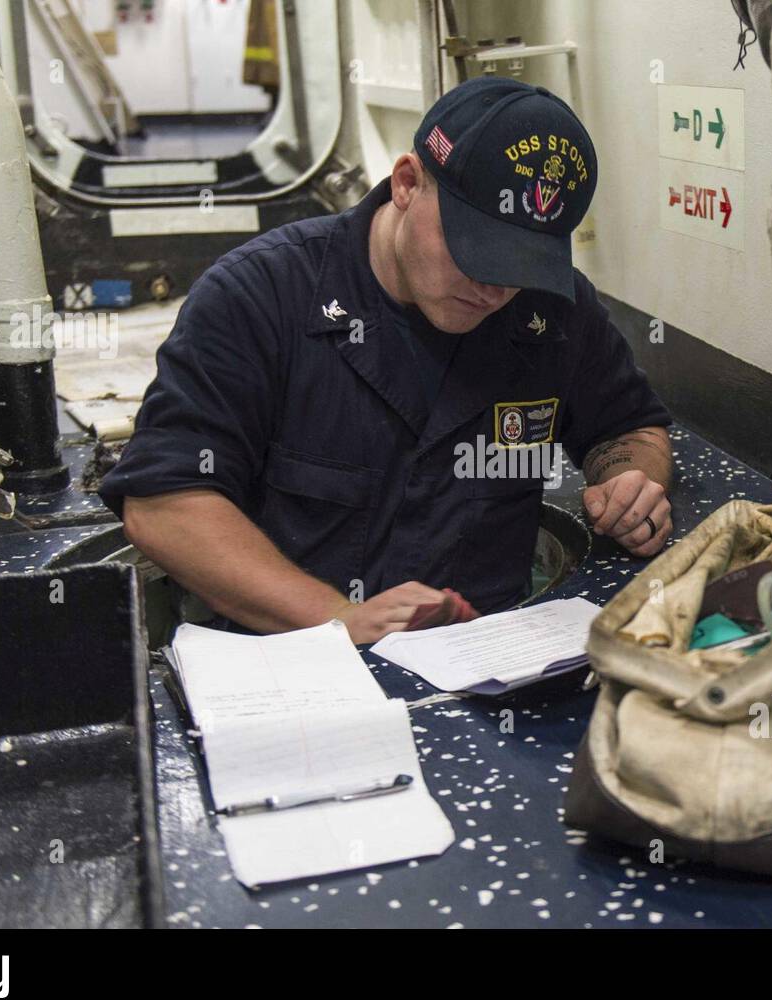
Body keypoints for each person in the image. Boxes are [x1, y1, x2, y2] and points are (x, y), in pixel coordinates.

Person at [99, 77, 674, 644]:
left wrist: (629, 481)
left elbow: (629, 428)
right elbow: (164, 506)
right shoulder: (259, 296)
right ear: (406, 184)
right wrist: (336, 620)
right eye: (477, 252)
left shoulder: (554, 312)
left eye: (521, 265)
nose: (494, 289)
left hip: (486, 668)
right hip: (290, 669)